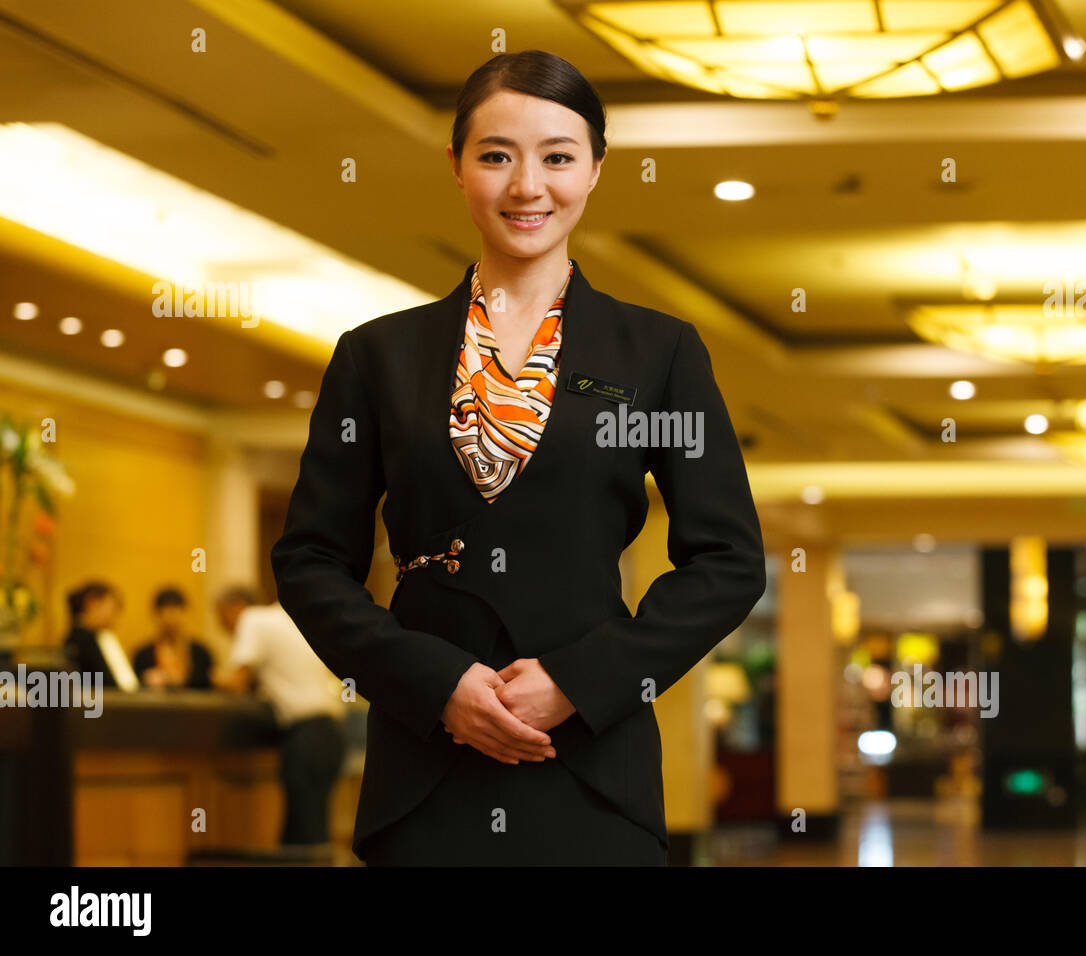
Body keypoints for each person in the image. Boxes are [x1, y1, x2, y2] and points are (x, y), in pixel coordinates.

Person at [270, 49, 766, 865]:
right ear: (458, 167)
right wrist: (433, 684)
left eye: (558, 157)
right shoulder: (377, 356)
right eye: (496, 155)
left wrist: (581, 682)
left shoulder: (658, 352)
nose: (527, 186)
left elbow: (729, 561)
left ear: (596, 169)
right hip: (425, 773)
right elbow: (311, 560)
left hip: (591, 774)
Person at [212, 586, 346, 847]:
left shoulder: (253, 619)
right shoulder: (288, 619)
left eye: (221, 617)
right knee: (310, 832)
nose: (222, 627)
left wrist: (209, 677)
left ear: (235, 607)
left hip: (306, 737)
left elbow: (237, 682)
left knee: (304, 837)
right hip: (332, 734)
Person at [132, 587, 214, 690]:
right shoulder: (143, 654)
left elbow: (209, 686)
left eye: (175, 612)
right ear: (156, 616)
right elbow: (134, 687)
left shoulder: (201, 652)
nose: (170, 620)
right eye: (165, 613)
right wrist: (147, 680)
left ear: (186, 613)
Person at [61, 581, 138, 691]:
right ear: (92, 602)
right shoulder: (92, 640)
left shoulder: (74, 638)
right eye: (114, 608)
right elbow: (120, 686)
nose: (115, 617)